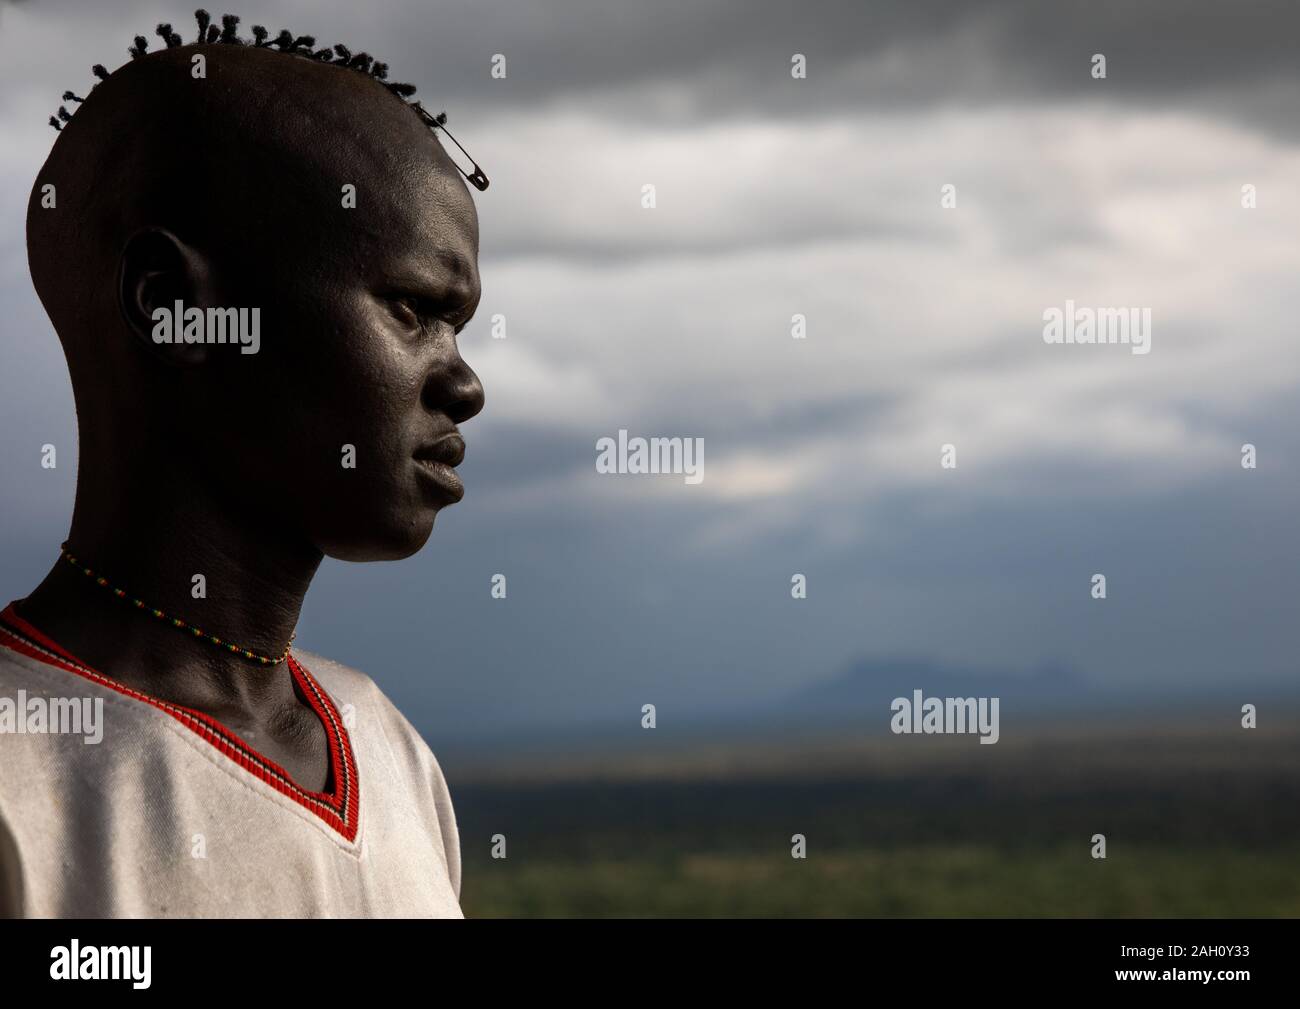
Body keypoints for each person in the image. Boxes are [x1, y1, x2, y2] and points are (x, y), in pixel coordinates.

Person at [0, 11, 486, 917]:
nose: (463, 384)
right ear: (173, 304)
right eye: (414, 310)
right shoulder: (16, 780)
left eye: (460, 326)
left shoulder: (388, 752)